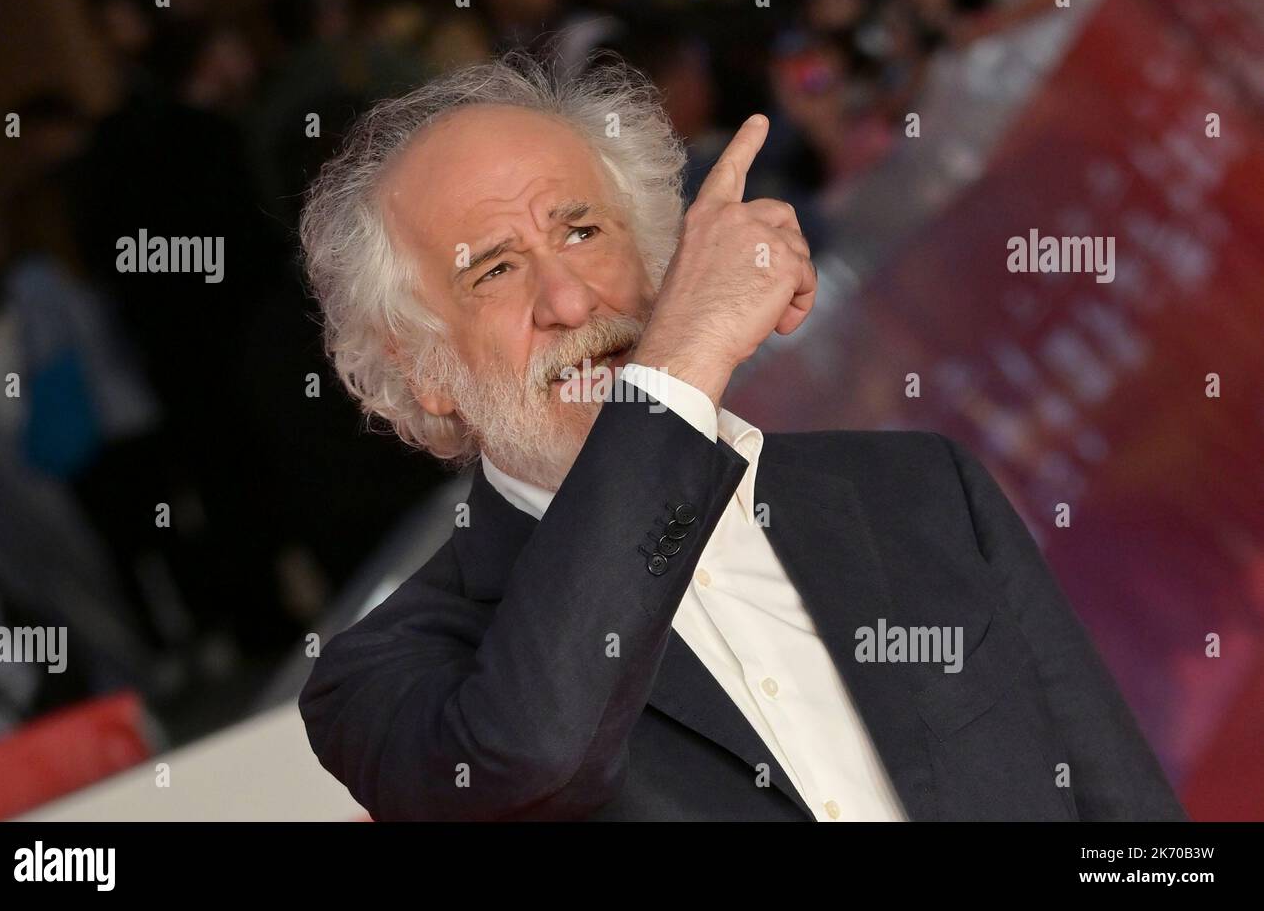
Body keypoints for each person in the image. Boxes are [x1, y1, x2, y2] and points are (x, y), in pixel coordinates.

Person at [297, 52, 1184, 821]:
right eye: (494, 269)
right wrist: (677, 366)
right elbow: (532, 761)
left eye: (583, 231)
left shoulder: (920, 490)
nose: (569, 302)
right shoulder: (384, 677)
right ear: (420, 371)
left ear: (658, 256)